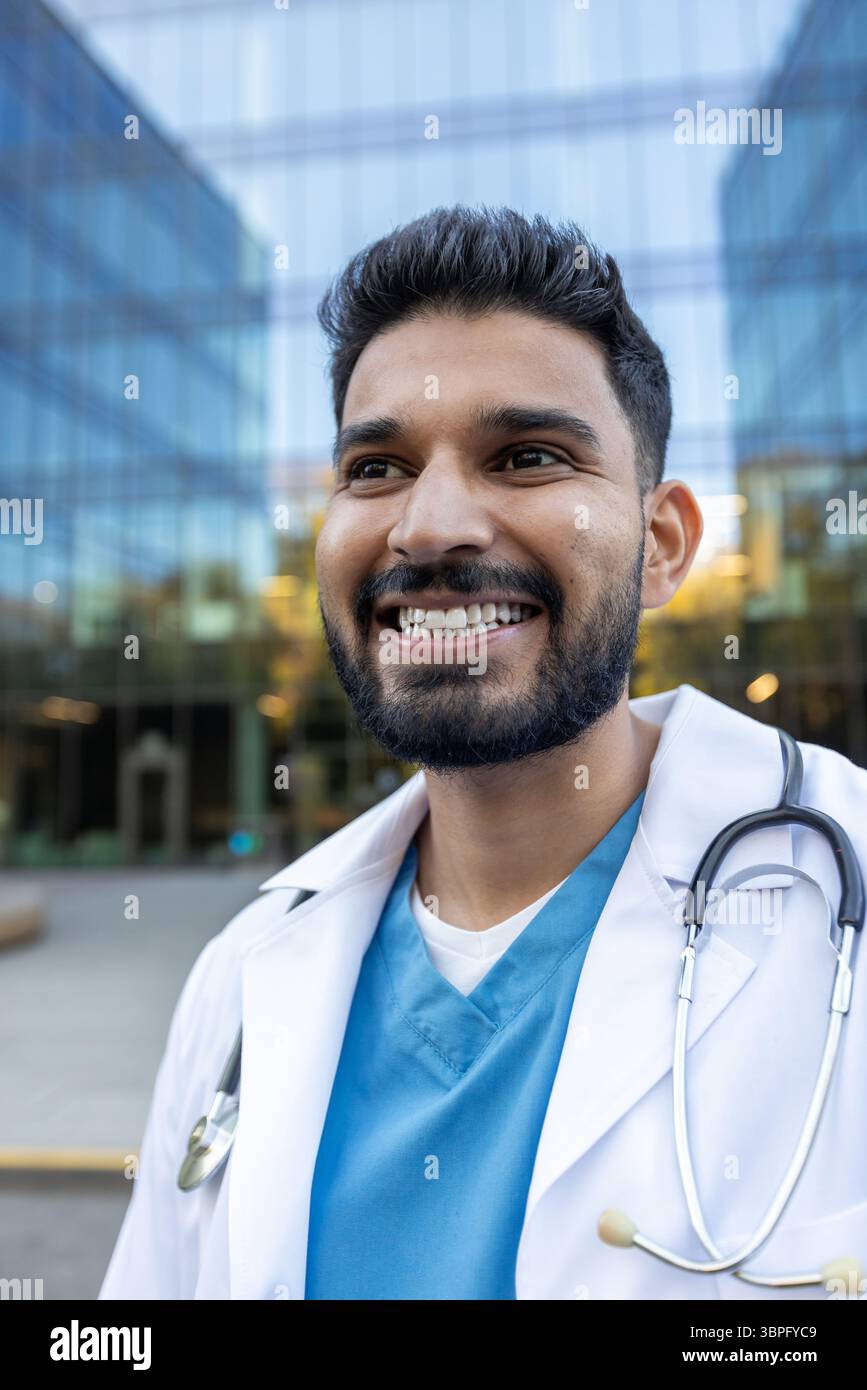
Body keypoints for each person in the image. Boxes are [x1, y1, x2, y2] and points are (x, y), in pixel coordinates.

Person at [100, 207, 867, 1301]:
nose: (431, 525)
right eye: (377, 467)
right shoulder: (242, 973)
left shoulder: (847, 887)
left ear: (661, 546)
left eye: (528, 456)